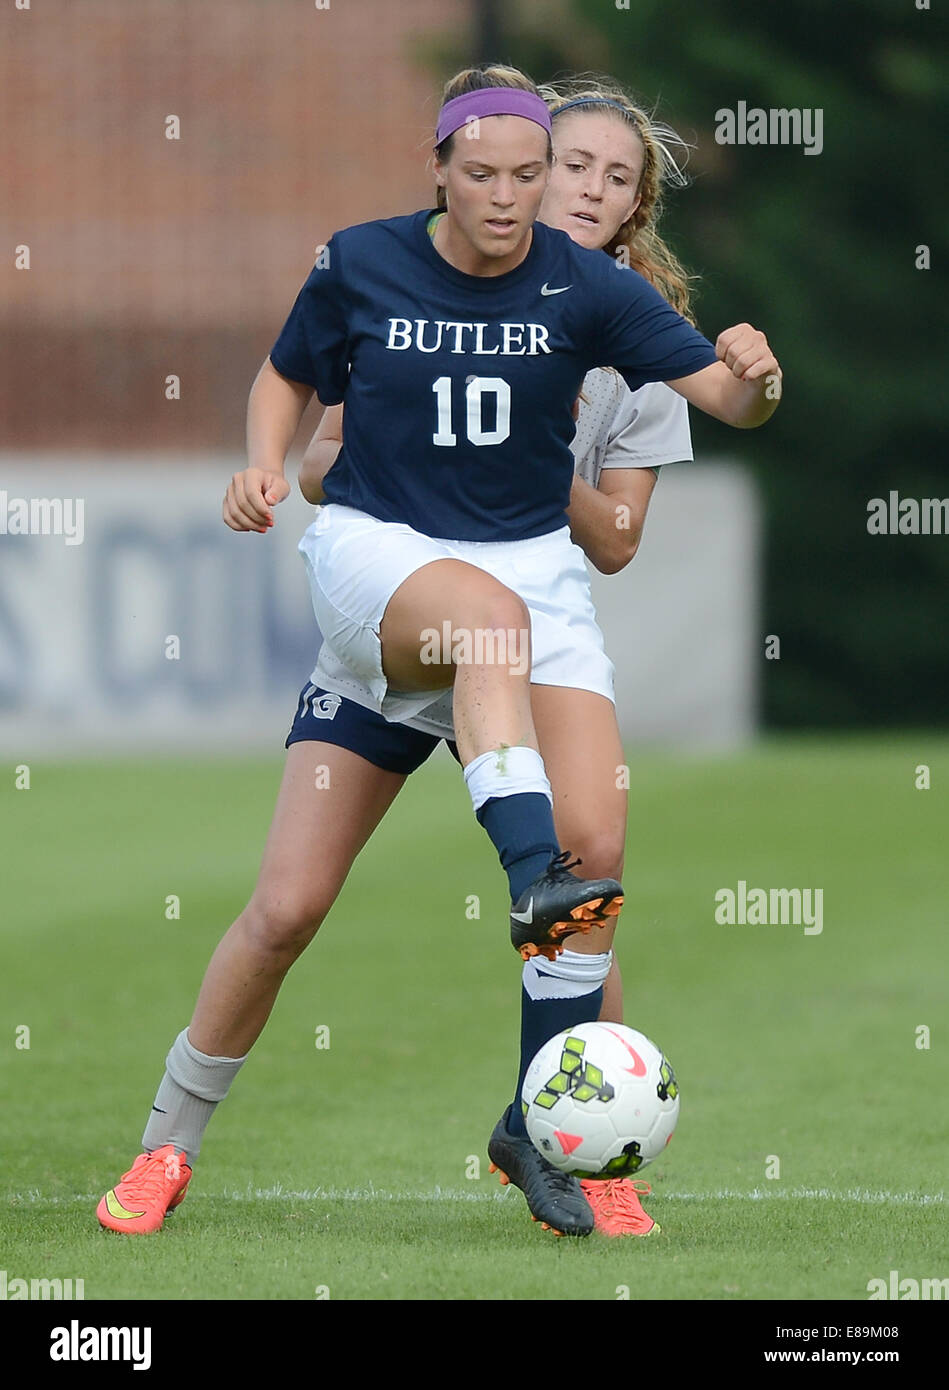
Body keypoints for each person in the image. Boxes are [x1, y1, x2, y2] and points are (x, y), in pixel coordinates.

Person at [96, 65, 780, 1241]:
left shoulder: (596, 293)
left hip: (535, 582)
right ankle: (167, 1144)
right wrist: (274, 462)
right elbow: (295, 387)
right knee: (287, 908)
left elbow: (723, 405)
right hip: (385, 576)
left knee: (599, 849)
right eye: (517, 169)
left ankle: (544, 1127)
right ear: (449, 168)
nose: (529, 193)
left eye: (563, 176)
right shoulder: (363, 258)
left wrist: (759, 380)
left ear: (621, 204)